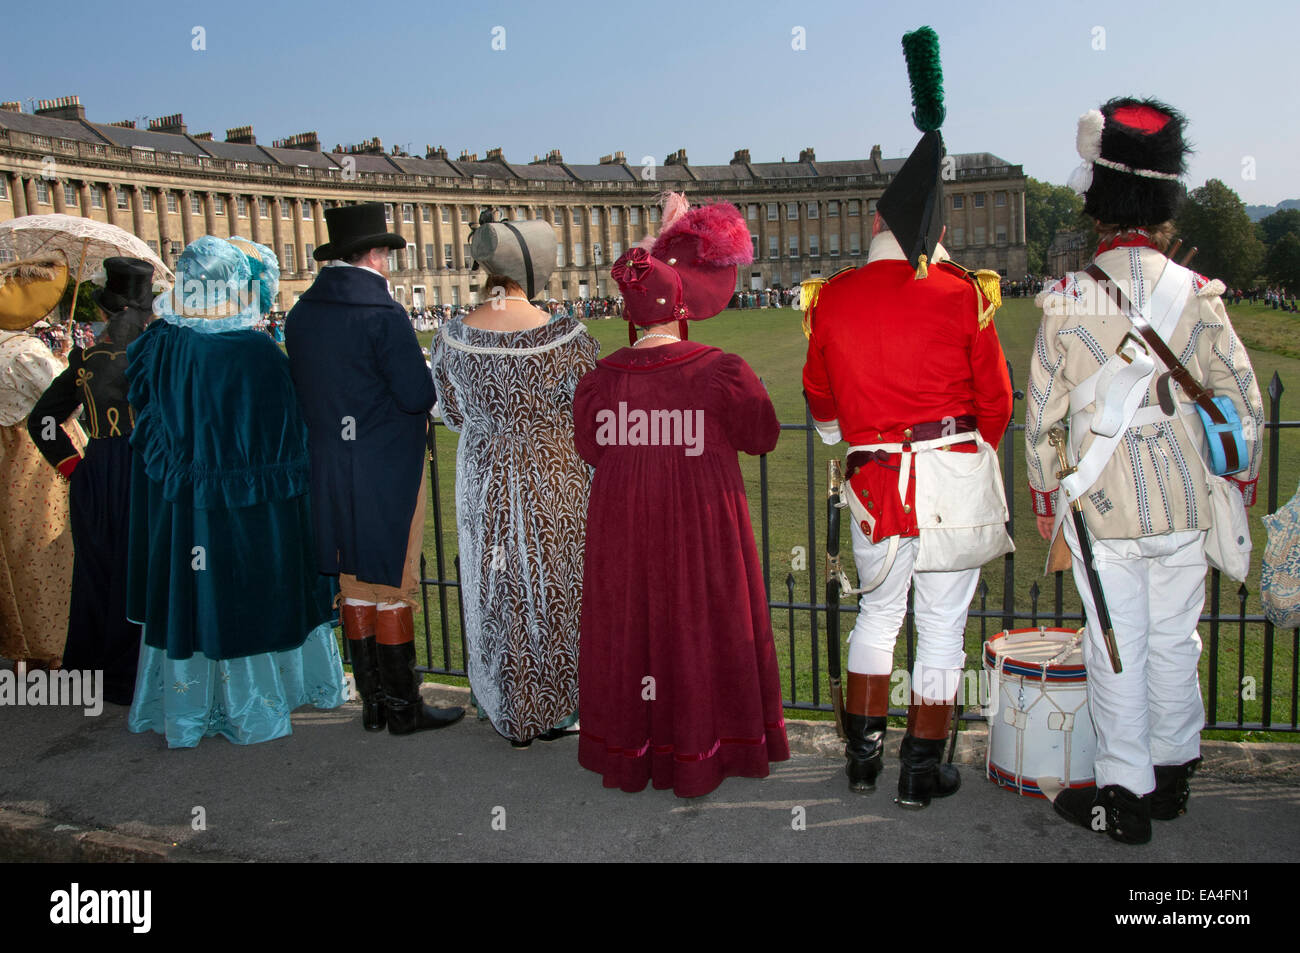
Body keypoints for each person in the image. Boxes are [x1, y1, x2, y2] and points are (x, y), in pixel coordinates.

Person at [1027, 97, 1264, 844]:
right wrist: (1233, 481)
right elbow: (1243, 403)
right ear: (1162, 202)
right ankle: (1173, 770)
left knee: (1115, 644)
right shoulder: (1198, 295)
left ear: (1102, 202)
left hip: (1105, 504)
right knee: (1173, 639)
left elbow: (1040, 418)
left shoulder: (1067, 299)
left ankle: (1124, 790)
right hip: (1188, 501)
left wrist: (1043, 496)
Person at [802, 26, 1014, 809]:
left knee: (877, 615)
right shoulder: (963, 293)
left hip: (876, 483)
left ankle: (861, 762)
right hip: (950, 475)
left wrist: (845, 436)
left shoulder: (833, 299)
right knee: (941, 629)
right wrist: (964, 451)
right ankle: (921, 776)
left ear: (876, 228)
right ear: (936, 234)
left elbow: (821, 401)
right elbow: (996, 402)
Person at [575, 193, 789, 798]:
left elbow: (592, 448)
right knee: (701, 623)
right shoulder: (720, 369)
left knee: (635, 624)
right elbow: (763, 435)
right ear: (681, 308)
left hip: (624, 521)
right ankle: (704, 746)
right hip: (700, 521)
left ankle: (636, 747)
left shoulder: (600, 380)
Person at [124, 236, 347, 747]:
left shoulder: (158, 344)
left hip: (182, 507)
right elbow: (291, 442)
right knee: (245, 593)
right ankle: (258, 703)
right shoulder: (252, 352)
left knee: (194, 593)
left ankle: (185, 706)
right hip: (244, 508)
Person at [286, 202, 464, 736]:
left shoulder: (301, 313)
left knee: (354, 582)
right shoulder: (381, 312)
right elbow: (415, 395)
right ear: (374, 254)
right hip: (385, 465)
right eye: (387, 252)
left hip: (329, 462)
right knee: (394, 582)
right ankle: (404, 707)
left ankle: (373, 704)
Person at [433, 214, 597, 747]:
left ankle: (509, 708)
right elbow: (587, 410)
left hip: (485, 477)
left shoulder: (452, 336)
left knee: (495, 586)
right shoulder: (567, 335)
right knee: (557, 584)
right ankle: (555, 706)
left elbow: (451, 414)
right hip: (555, 475)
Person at [28, 257, 153, 705]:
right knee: (142, 570)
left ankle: (92, 673)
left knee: (97, 571)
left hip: (97, 471)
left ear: (104, 311)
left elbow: (43, 420)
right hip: (148, 469)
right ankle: (136, 674)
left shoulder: (85, 357)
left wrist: (71, 465)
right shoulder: (159, 351)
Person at [0, 254, 82, 671]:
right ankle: (57, 643)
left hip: (4, 455)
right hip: (38, 451)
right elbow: (63, 407)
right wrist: (67, 360)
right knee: (53, 545)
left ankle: (22, 644)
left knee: (12, 550)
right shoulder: (28, 351)